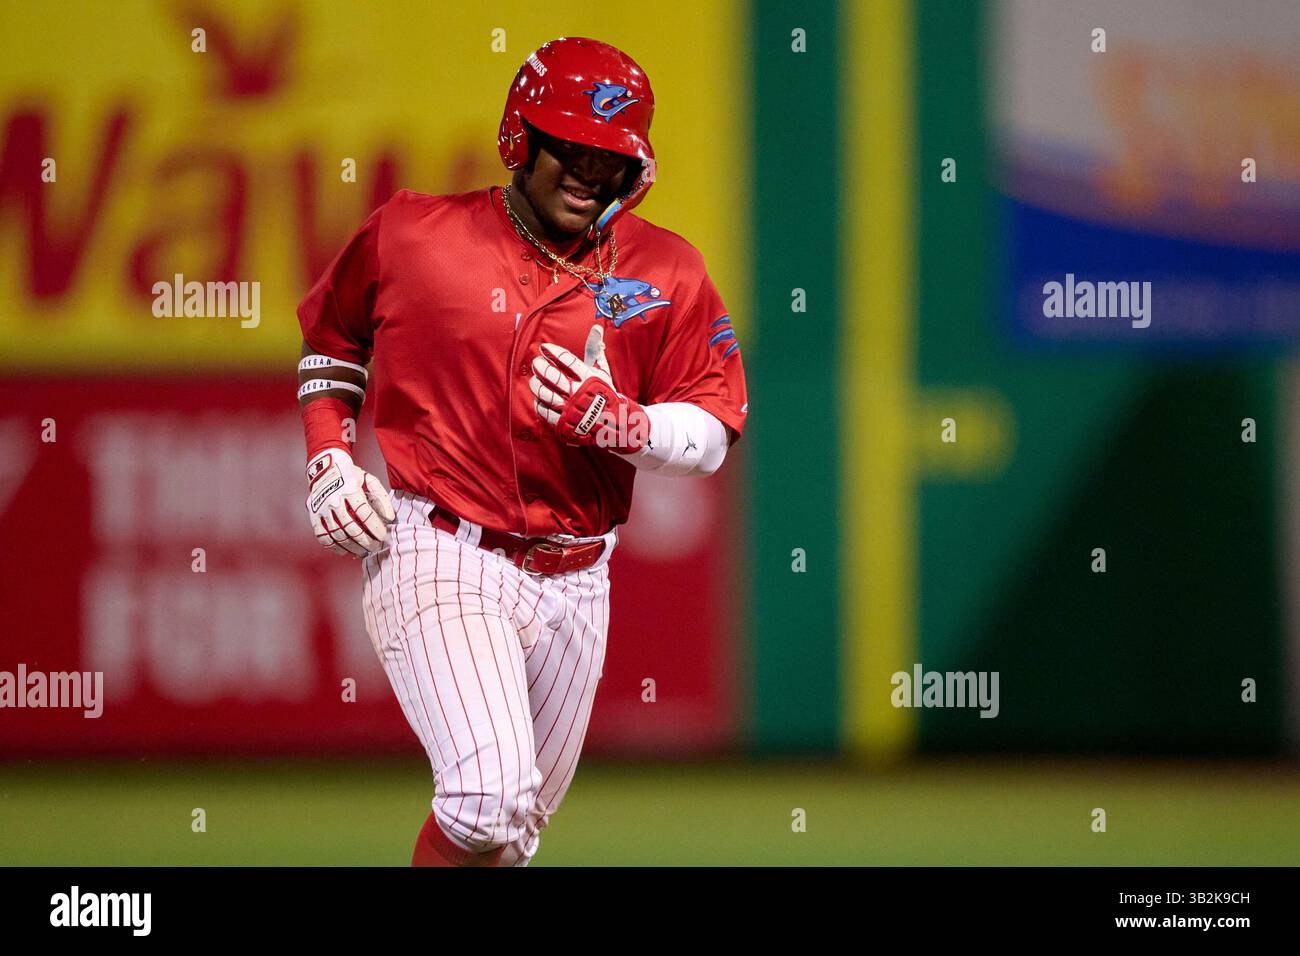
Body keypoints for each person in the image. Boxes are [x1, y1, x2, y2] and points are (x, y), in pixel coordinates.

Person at [294, 36, 747, 866]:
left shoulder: (668, 271)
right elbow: (332, 339)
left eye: (609, 157)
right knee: (484, 798)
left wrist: (628, 425)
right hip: (440, 545)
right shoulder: (415, 236)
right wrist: (329, 455)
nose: (587, 173)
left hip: (581, 578)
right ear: (520, 138)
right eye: (570, 148)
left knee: (508, 839)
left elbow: (715, 431)